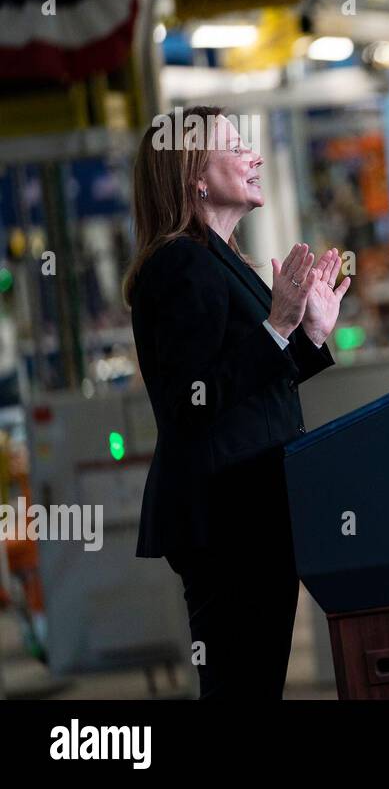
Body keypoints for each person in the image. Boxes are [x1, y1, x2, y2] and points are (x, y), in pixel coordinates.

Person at [122, 106, 351, 698]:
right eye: (236, 145)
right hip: (226, 520)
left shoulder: (220, 260)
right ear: (195, 174)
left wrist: (309, 337)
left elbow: (250, 392)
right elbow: (190, 403)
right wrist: (277, 327)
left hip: (254, 511)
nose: (255, 155)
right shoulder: (180, 264)